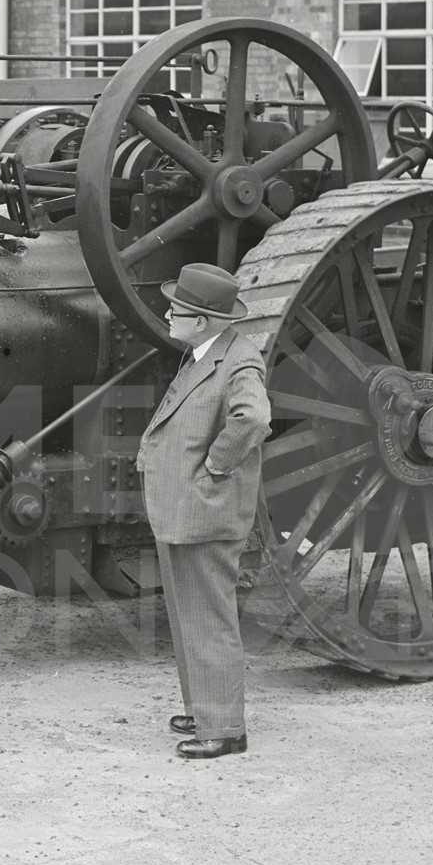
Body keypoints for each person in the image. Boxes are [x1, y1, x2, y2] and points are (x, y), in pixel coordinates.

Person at [135, 261, 271, 761]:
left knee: (209, 619)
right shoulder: (204, 353)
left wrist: (214, 468)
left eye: (179, 309)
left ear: (205, 320)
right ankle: (204, 709)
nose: (169, 313)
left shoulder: (239, 361)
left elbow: (253, 418)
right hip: (184, 510)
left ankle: (224, 730)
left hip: (205, 511)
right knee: (190, 614)